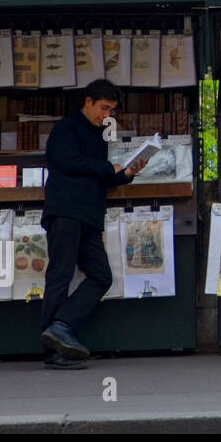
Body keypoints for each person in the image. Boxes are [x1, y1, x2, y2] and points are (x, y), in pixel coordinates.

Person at [38, 79, 150, 370]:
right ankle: (53, 352)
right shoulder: (66, 128)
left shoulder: (100, 135)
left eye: (111, 110)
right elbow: (67, 162)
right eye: (103, 108)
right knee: (60, 277)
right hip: (65, 212)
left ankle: (61, 327)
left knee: (101, 276)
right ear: (87, 101)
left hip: (90, 216)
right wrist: (107, 168)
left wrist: (126, 173)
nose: (106, 115)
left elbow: (102, 175)